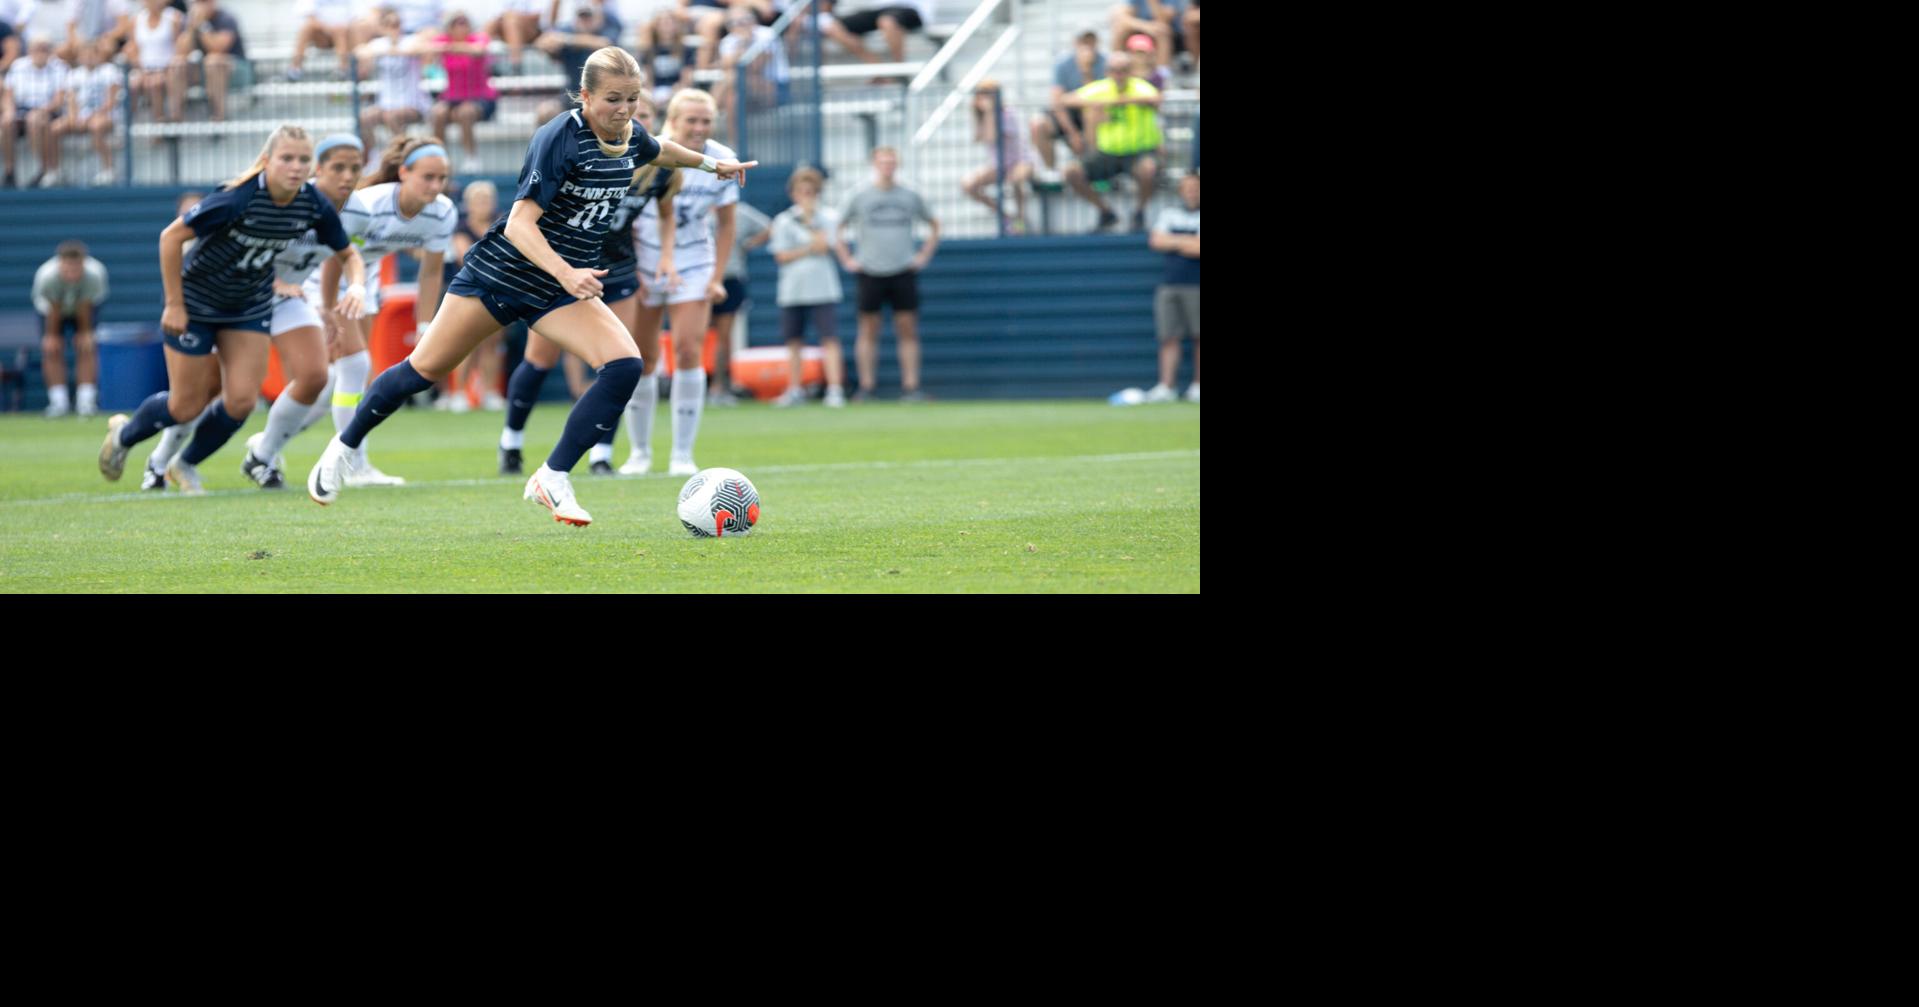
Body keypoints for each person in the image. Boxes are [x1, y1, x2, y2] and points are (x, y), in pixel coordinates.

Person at [309, 46, 754, 526]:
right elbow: (521, 223)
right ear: (584, 95)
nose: (623, 110)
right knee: (422, 371)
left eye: (631, 98)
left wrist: (711, 166)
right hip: (502, 274)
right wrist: (566, 272)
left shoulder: (628, 132)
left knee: (625, 366)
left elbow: (658, 148)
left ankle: (553, 475)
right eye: (611, 99)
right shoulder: (559, 136)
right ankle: (343, 446)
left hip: (557, 289)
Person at [98, 125, 368, 492]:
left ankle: (184, 464)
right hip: (197, 303)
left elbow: (348, 253)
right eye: (287, 158)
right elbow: (171, 237)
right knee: (185, 406)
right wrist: (175, 304)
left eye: (303, 159)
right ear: (266, 160)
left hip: (248, 304)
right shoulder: (238, 197)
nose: (296, 166)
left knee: (241, 401)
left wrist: (356, 286)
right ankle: (124, 435)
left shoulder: (312, 202)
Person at [496, 88, 665, 475]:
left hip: (617, 270)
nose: (635, 120)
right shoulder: (585, 150)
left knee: (621, 360)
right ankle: (511, 441)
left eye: (645, 115)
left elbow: (665, 217)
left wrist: (665, 258)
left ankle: (602, 454)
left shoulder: (659, 172)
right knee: (540, 359)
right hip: (565, 268)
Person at [618, 87, 737, 476]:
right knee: (642, 358)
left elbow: (726, 224)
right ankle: (639, 452)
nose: (699, 128)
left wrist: (717, 276)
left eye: (706, 121)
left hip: (693, 261)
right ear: (674, 120)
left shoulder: (721, 160)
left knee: (688, 350)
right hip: (644, 260)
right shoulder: (650, 152)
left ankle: (683, 454)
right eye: (692, 120)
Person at [834, 145, 936, 402]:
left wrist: (923, 256)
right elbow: (837, 226)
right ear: (874, 164)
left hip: (903, 269)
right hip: (870, 270)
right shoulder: (860, 194)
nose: (887, 167)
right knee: (868, 328)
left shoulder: (910, 194)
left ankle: (911, 387)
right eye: (883, 162)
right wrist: (847, 258)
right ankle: (867, 387)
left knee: (907, 328)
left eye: (892, 162)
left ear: (897, 164)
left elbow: (934, 224)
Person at [768, 166, 843, 408]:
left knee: (829, 338)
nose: (806, 196)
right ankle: (795, 389)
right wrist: (807, 248)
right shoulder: (784, 220)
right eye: (802, 191)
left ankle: (835, 389)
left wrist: (810, 225)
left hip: (823, 287)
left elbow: (825, 246)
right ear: (793, 193)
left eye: (811, 191)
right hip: (793, 289)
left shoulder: (829, 218)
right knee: (793, 341)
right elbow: (781, 255)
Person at [1063, 50, 1160, 233]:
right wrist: (1092, 105)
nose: (1119, 75)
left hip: (1138, 151)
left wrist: (1120, 101)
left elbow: (1155, 98)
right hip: (1107, 153)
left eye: (1123, 70)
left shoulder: (1139, 86)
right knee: (1071, 172)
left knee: (1148, 168)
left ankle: (1139, 213)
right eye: (1114, 70)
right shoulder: (1101, 88)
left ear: (1130, 71)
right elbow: (1065, 99)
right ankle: (1105, 212)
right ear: (1107, 71)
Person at [446, 176, 505, 412]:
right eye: (478, 199)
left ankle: (490, 393)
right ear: (468, 203)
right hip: (468, 294)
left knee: (493, 344)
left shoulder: (502, 223)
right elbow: (465, 257)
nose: (483, 203)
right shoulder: (460, 227)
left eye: (487, 199)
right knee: (466, 344)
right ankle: (459, 394)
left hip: (499, 292)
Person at [31, 239, 107, 418]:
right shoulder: (47, 277)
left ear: (83, 263)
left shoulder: (95, 275)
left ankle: (86, 402)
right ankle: (59, 403)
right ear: (60, 264)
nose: (72, 274)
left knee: (87, 346)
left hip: (84, 308)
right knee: (52, 349)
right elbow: (54, 308)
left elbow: (85, 306)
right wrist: (51, 335)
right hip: (51, 311)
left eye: (76, 269)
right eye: (67, 269)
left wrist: (85, 333)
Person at [707, 191, 768, 406]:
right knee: (693, 337)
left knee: (724, 337)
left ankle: (720, 386)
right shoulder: (697, 209)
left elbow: (768, 227)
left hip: (730, 277)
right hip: (698, 279)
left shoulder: (739, 212)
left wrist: (748, 244)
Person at [1145, 171, 1197, 403]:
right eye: (1187, 188)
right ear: (1180, 190)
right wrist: (1188, 242)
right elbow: (1156, 241)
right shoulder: (1169, 214)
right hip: (1170, 285)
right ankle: (1167, 386)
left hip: (1197, 286)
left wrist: (1173, 241)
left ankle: (1197, 386)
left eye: (1195, 188)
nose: (1192, 192)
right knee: (1168, 337)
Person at [426, 10, 496, 175]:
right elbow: (427, 46)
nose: (461, 27)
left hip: (481, 97)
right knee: (437, 113)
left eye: (464, 22)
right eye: (457, 23)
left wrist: (451, 47)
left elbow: (479, 49)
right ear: (449, 27)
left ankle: (472, 157)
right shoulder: (444, 41)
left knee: (464, 112)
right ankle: (440, 158)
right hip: (453, 97)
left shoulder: (477, 38)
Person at [1029, 28, 1102, 177]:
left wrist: (1086, 71)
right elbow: (1057, 101)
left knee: (1093, 114)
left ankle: (1095, 169)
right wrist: (1072, 133)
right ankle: (1051, 172)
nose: (1087, 46)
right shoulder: (1062, 63)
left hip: (1094, 112)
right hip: (1069, 113)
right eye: (1083, 41)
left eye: (1090, 41)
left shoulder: (1106, 61)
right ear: (1075, 43)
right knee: (1038, 124)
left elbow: (1095, 96)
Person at [961, 79, 1031, 233]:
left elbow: (991, 136)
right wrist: (981, 113)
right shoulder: (984, 115)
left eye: (989, 94)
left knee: (1016, 179)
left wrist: (990, 112)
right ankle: (1006, 217)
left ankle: (1020, 219)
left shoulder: (1008, 114)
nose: (985, 98)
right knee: (968, 185)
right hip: (998, 164)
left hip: (1020, 160)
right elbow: (978, 137)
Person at [531, 0, 620, 123]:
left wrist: (566, 39)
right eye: (582, 17)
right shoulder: (568, 30)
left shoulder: (608, 24)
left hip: (602, 96)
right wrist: (550, 43)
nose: (585, 21)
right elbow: (542, 43)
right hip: (573, 95)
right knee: (545, 112)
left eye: (588, 17)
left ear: (597, 18)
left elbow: (605, 43)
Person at [356, 6, 431, 149]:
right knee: (364, 119)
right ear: (382, 28)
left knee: (391, 116)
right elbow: (360, 52)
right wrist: (383, 52)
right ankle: (373, 155)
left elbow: (422, 48)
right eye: (389, 25)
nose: (394, 28)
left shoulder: (411, 40)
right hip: (387, 103)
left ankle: (402, 153)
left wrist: (394, 52)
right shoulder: (379, 44)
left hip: (413, 103)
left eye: (397, 24)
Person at [1, 36, 66, 188]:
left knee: (34, 120)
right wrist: (9, 111)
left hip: (48, 111)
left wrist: (43, 110)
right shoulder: (18, 66)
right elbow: (8, 95)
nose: (39, 53)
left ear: (50, 51)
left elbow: (59, 98)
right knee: (6, 122)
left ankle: (43, 169)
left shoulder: (59, 67)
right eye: (36, 49)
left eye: (44, 49)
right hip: (21, 111)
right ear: (29, 51)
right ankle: (10, 172)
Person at [175, 0, 243, 125]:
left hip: (235, 70)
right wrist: (191, 28)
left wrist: (202, 26)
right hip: (204, 71)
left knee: (213, 62)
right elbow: (181, 51)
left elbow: (217, 48)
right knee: (177, 64)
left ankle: (219, 118)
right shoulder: (189, 21)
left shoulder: (226, 18)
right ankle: (175, 121)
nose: (200, 6)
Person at [58, 34, 114, 183]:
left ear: (98, 55)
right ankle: (54, 171)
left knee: (96, 126)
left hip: (106, 116)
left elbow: (110, 101)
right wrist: (73, 118)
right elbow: (71, 100)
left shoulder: (110, 70)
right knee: (54, 128)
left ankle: (108, 170)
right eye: (85, 54)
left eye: (92, 54)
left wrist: (90, 117)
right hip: (81, 117)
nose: (88, 57)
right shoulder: (73, 74)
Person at [820, 0, 927, 69]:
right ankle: (876, 66)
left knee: (887, 21)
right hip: (882, 11)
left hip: (911, 10)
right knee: (832, 26)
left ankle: (898, 69)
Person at [125, 0, 181, 127]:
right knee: (131, 84)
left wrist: (164, 70)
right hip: (144, 70)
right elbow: (133, 49)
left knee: (155, 83)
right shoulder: (136, 20)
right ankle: (129, 127)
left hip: (167, 70)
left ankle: (159, 126)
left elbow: (179, 47)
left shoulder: (173, 17)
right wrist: (142, 71)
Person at [286, 0, 358, 80]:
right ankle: (295, 67)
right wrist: (329, 29)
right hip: (321, 35)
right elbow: (310, 18)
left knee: (341, 31)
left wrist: (339, 29)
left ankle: (344, 68)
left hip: (345, 35)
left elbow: (356, 19)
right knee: (307, 27)